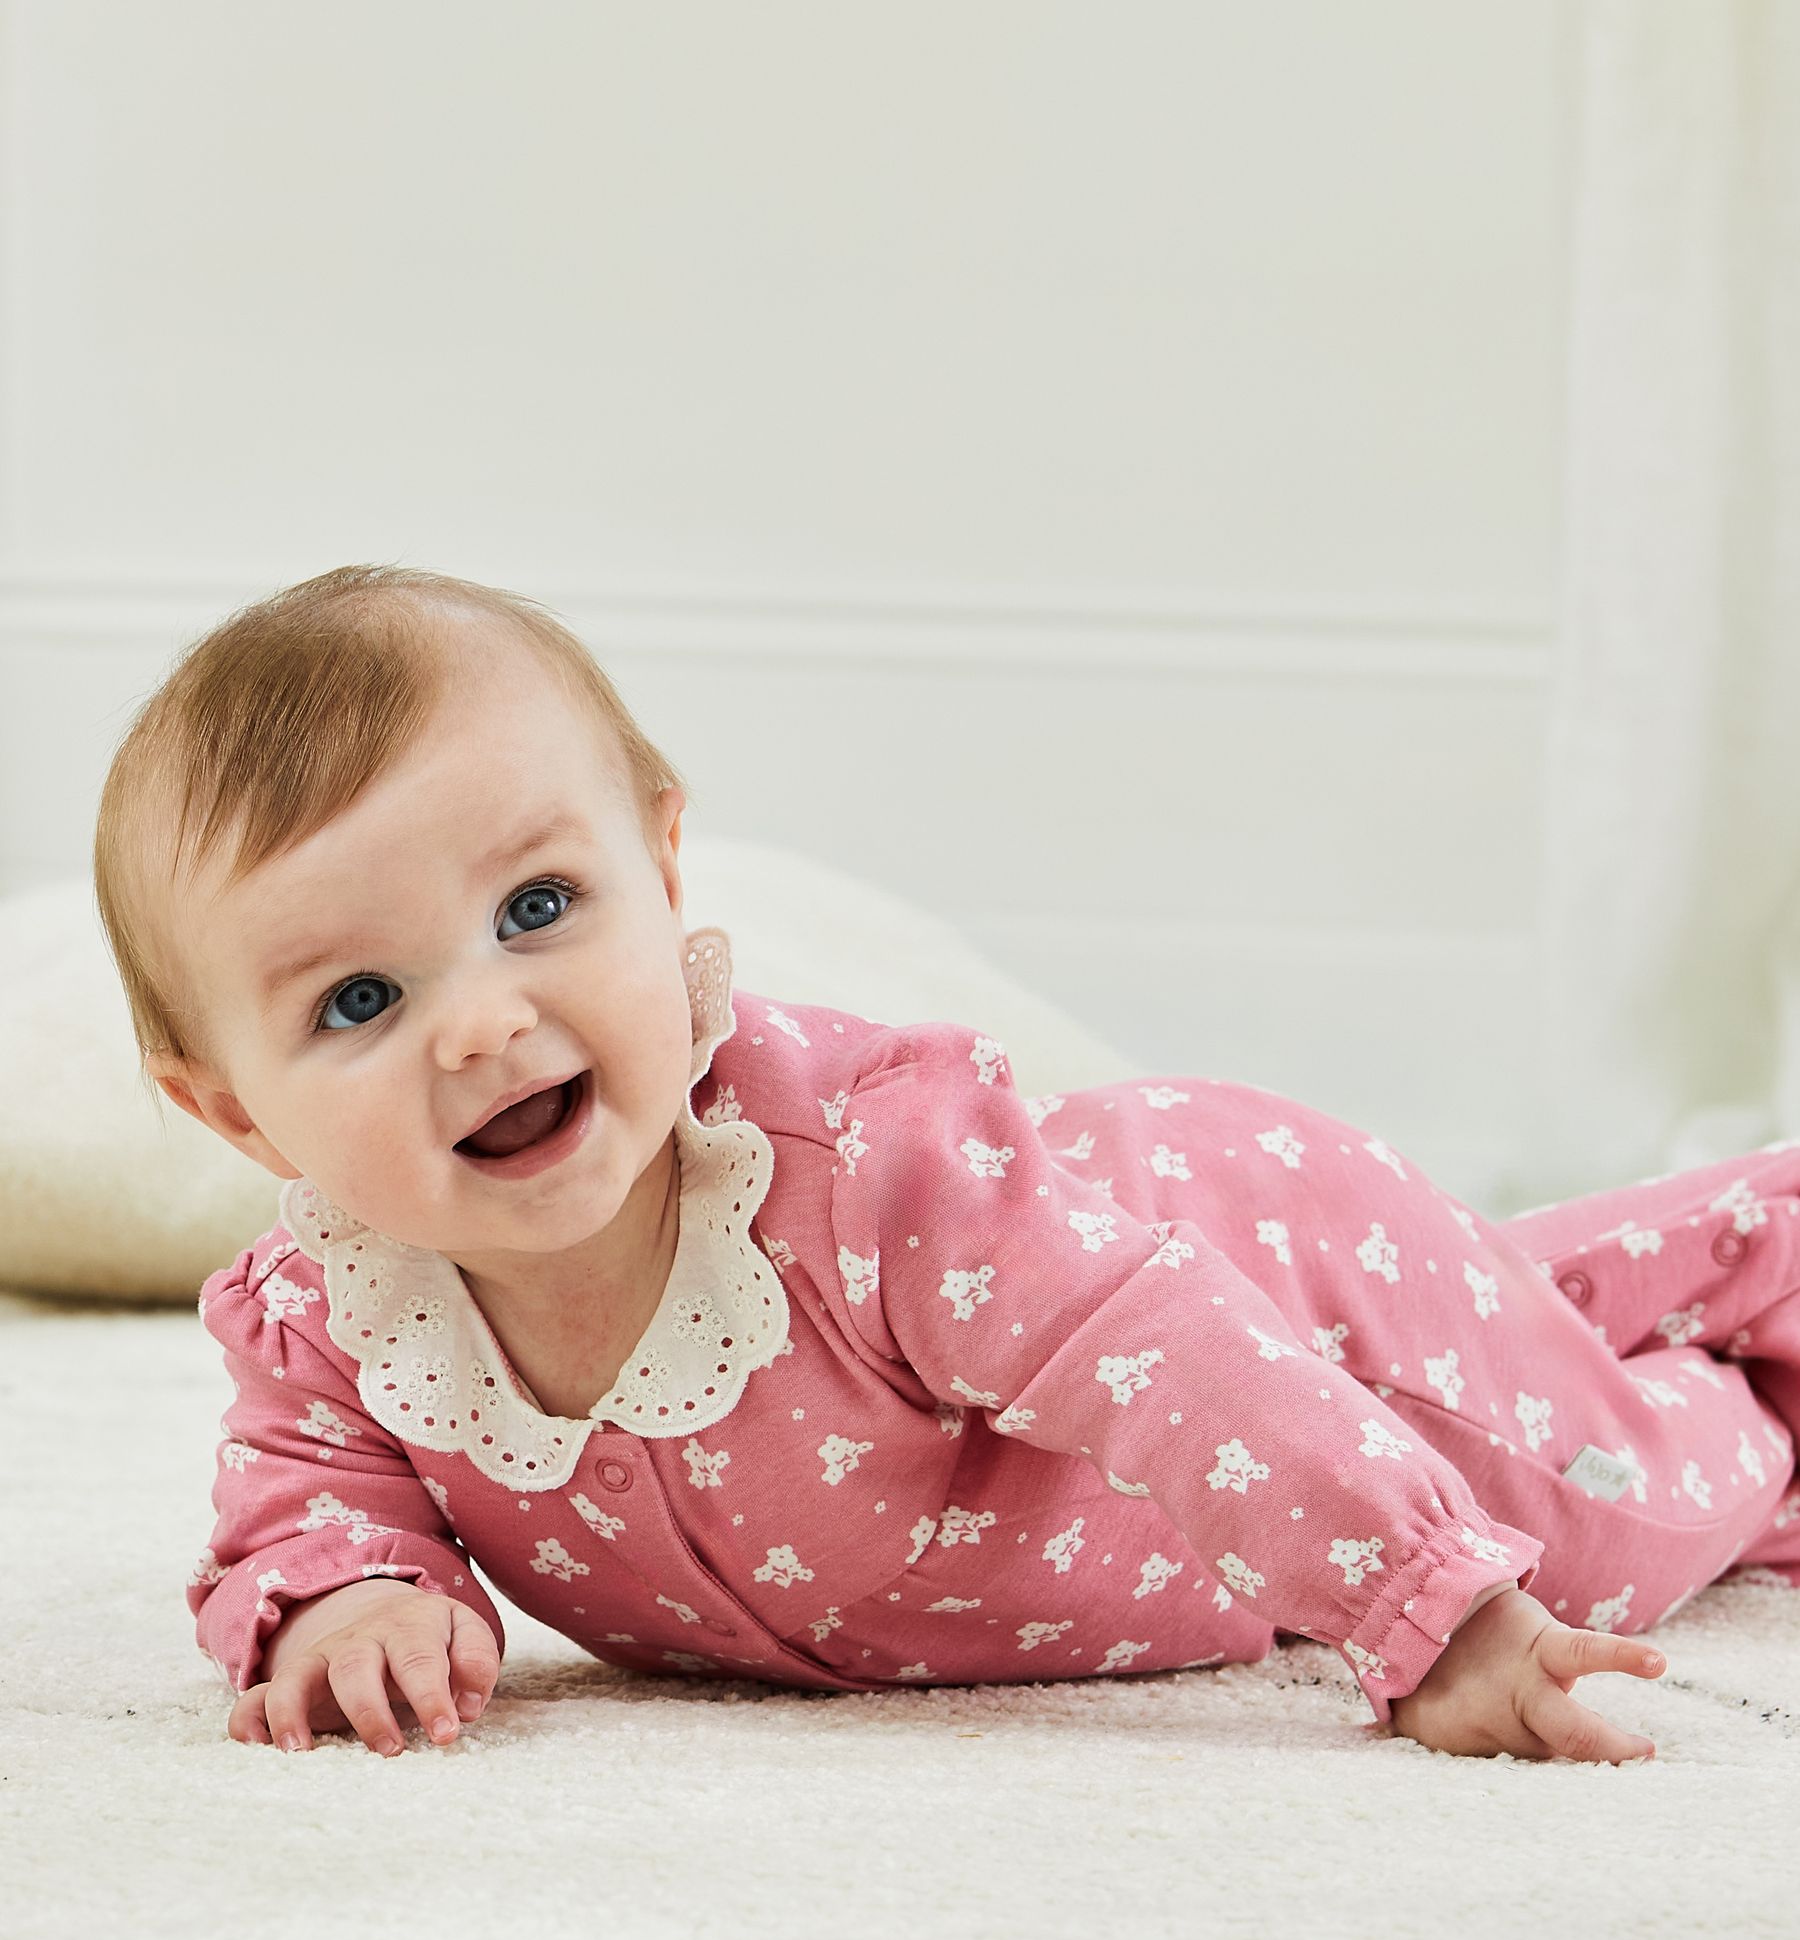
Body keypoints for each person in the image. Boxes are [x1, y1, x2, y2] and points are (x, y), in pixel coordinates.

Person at [93, 566, 1800, 1772]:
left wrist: (1436, 1610)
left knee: (1612, 1489)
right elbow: (316, 1498)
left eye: (538, 909)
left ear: (664, 865)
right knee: (1538, 1308)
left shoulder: (856, 1174)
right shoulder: (334, 1319)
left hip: (1249, 1267)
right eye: (360, 999)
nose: (481, 1023)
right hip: (1146, 1294)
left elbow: (1182, 1365)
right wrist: (347, 1600)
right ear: (238, 1116)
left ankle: (1761, 1361)